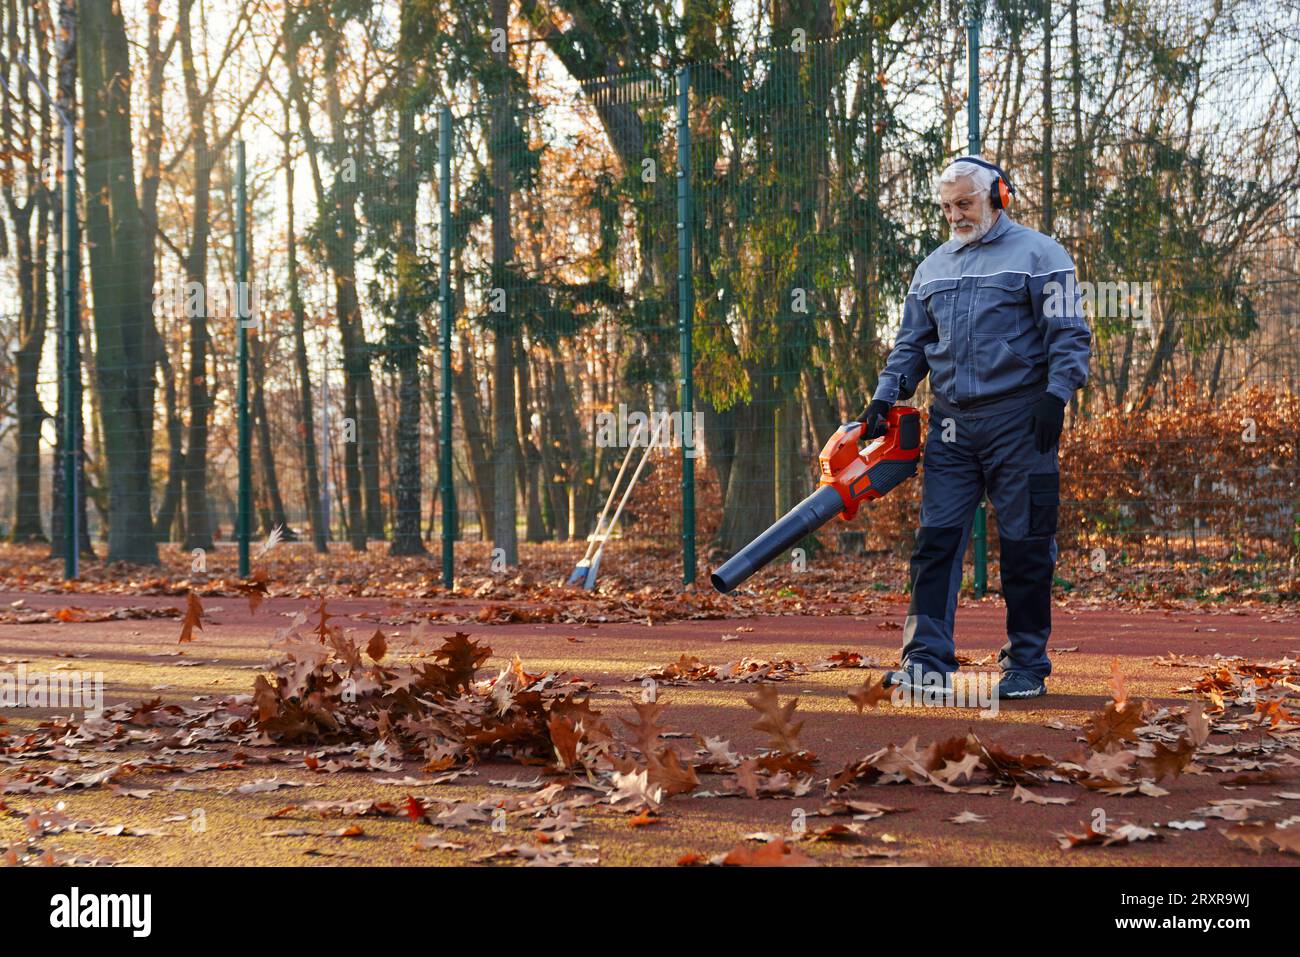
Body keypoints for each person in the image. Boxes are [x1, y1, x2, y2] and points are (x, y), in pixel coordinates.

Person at [858, 156, 1091, 700]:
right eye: (946, 207)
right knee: (935, 544)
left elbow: (1070, 335)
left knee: (1027, 545)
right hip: (951, 426)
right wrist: (884, 395)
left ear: (998, 197)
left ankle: (1027, 665)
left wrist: (1056, 397)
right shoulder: (932, 267)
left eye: (964, 203)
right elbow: (912, 345)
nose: (954, 215)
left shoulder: (1041, 255)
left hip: (1021, 421)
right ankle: (926, 662)